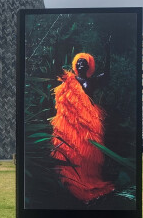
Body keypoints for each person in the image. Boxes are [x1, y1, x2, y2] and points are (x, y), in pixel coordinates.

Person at [49, 52, 115, 202]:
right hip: (72, 122)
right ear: (75, 65)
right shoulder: (69, 79)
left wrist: (108, 52)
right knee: (72, 150)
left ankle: (89, 181)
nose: (80, 64)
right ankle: (73, 185)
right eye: (78, 62)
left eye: (84, 62)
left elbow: (107, 75)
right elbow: (57, 70)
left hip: (89, 122)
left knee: (88, 153)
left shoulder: (92, 81)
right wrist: (57, 49)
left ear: (89, 66)